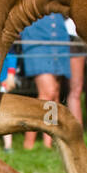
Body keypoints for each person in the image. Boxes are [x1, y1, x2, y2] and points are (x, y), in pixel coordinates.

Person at [18, 12, 69, 149]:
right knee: (47, 93)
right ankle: (28, 143)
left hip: (58, 37)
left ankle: (48, 143)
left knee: (55, 95)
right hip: (36, 38)